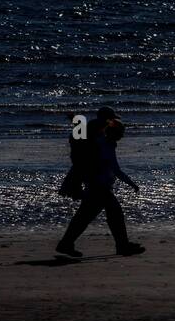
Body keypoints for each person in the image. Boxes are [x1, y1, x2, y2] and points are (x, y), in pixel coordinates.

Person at [56, 107, 146, 258]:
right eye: (121, 134)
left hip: (95, 184)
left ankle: (66, 244)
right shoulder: (103, 143)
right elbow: (113, 168)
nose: (122, 137)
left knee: (85, 216)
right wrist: (131, 184)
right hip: (99, 186)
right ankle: (122, 246)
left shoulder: (99, 139)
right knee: (113, 213)